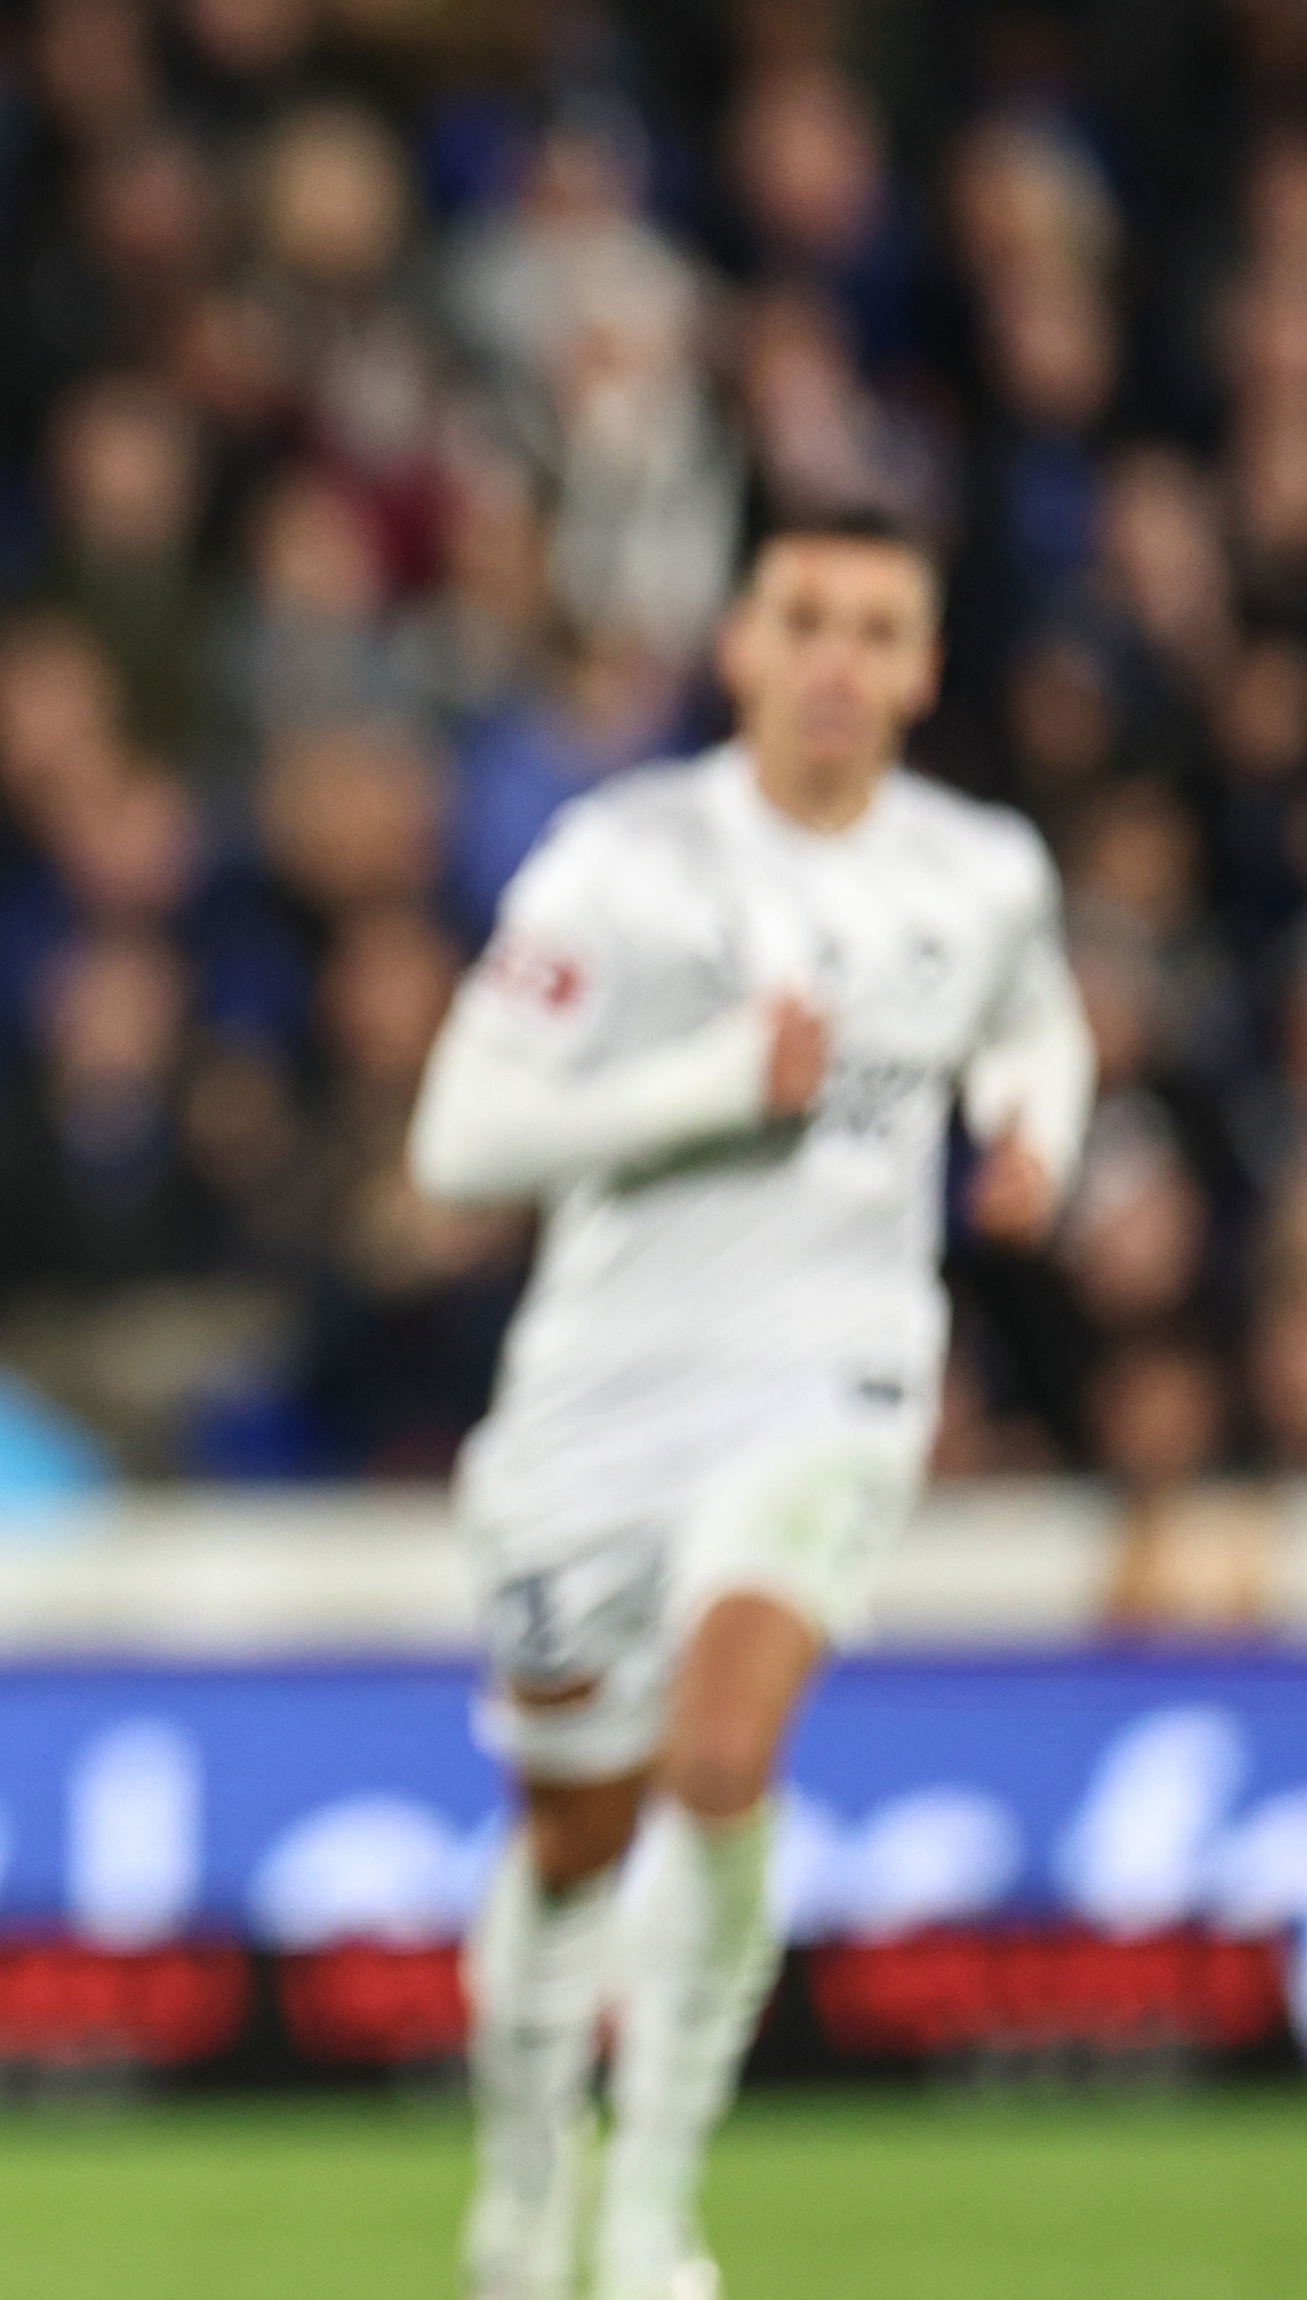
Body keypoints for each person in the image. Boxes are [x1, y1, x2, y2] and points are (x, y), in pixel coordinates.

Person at [409, 511, 1088, 2300]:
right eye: (808, 621)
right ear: (743, 648)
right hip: (598, 1402)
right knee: (572, 1834)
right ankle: (528, 2163)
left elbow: (1036, 1027)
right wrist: (717, 1083)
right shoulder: (619, 865)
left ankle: (653, 2214)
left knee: (722, 1755)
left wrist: (1038, 1130)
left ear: (927, 667)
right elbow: (457, 1137)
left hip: (833, 1376)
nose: (842, 661)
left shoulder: (983, 871)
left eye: (881, 627)